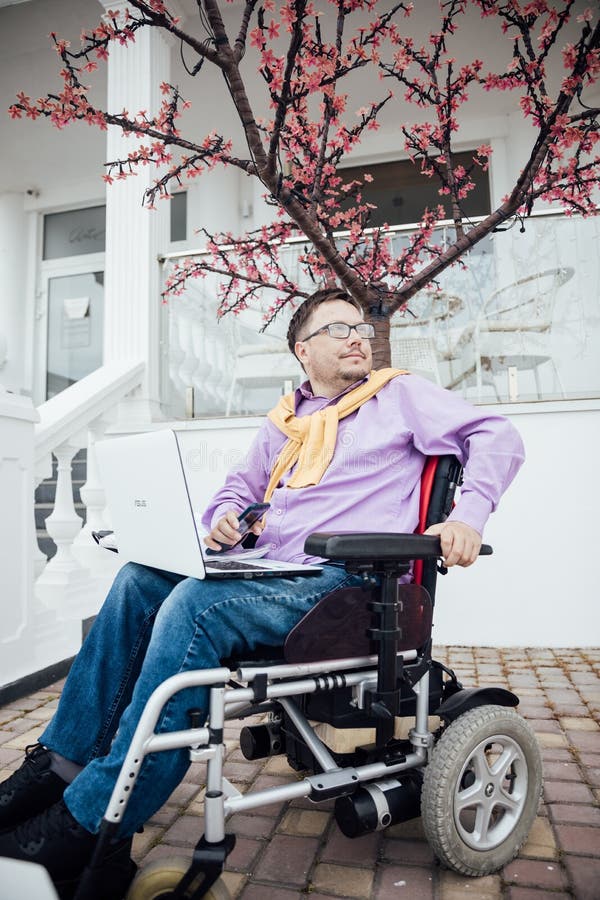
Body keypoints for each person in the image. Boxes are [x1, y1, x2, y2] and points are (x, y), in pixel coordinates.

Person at [0, 287, 525, 895]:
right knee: (137, 580)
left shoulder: (400, 396)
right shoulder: (285, 423)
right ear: (303, 351)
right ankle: (59, 766)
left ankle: (90, 822)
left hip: (350, 585)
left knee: (197, 608)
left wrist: (468, 516)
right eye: (337, 329)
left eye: (359, 327)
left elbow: (497, 434)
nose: (357, 337)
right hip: (272, 574)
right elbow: (236, 490)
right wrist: (224, 517)